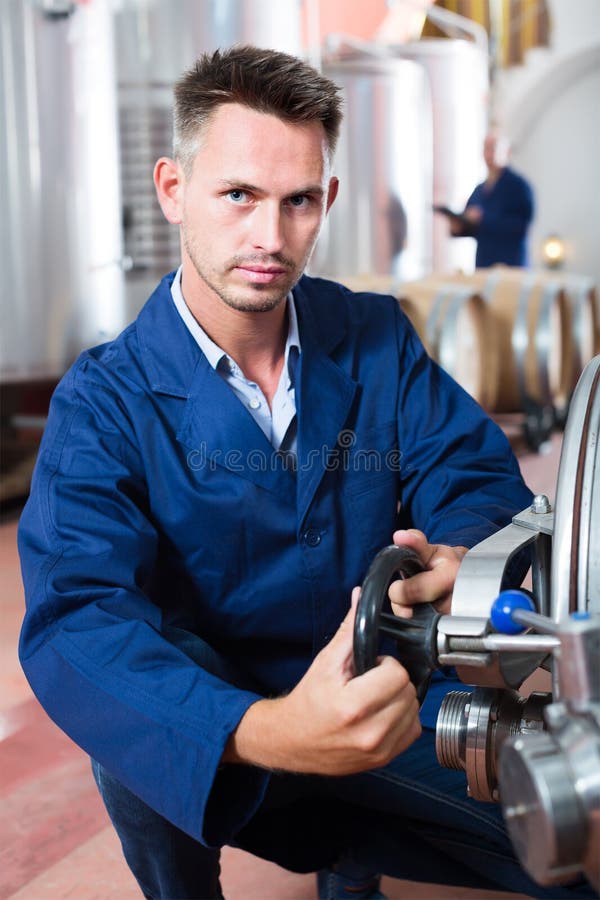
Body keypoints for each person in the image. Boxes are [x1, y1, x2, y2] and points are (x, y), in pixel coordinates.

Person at [18, 47, 590, 900]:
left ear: (325, 200)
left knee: (577, 849)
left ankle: (350, 871)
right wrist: (273, 729)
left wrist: (455, 550)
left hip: (394, 708)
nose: (270, 237)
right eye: (239, 195)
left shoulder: (373, 336)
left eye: (297, 202)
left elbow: (469, 468)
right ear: (173, 190)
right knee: (133, 734)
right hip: (229, 739)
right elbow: (79, 622)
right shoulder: (104, 402)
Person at [442, 130, 535, 268]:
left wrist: (483, 219)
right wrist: (458, 227)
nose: (489, 154)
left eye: (494, 148)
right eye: (486, 148)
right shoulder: (479, 190)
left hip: (511, 265)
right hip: (484, 264)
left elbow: (522, 226)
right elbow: (471, 228)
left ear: (507, 151)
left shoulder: (519, 186)